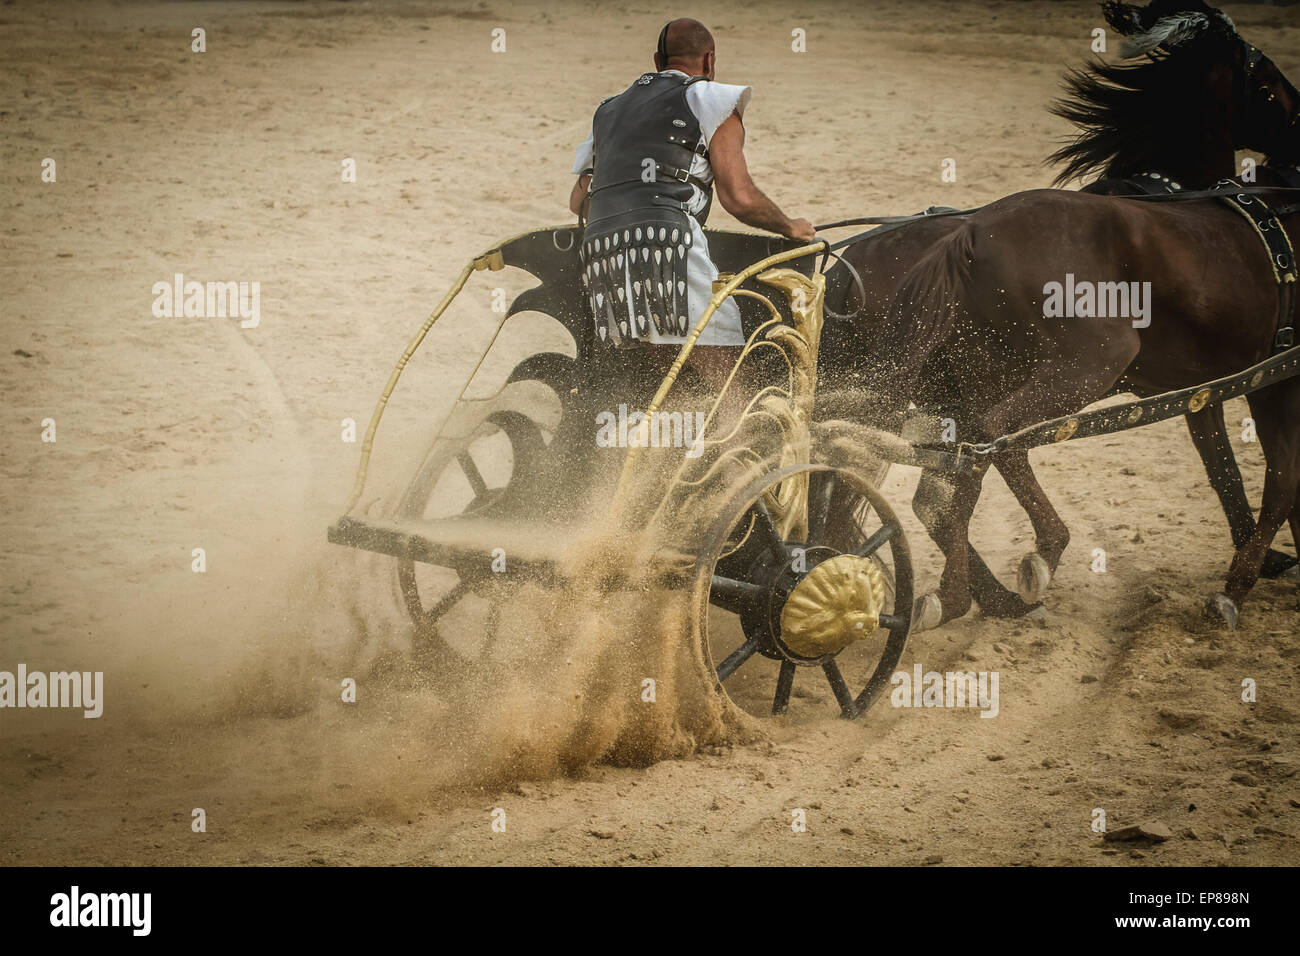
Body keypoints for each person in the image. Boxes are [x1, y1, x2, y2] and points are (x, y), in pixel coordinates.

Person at [568, 18, 814, 390]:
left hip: (603, 254)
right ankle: (742, 446)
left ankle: (676, 444)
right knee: (730, 375)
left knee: (674, 370)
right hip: (668, 244)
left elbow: (579, 200)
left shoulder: (608, 109)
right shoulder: (712, 98)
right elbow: (739, 197)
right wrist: (790, 226)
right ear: (709, 60)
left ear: (657, 60)